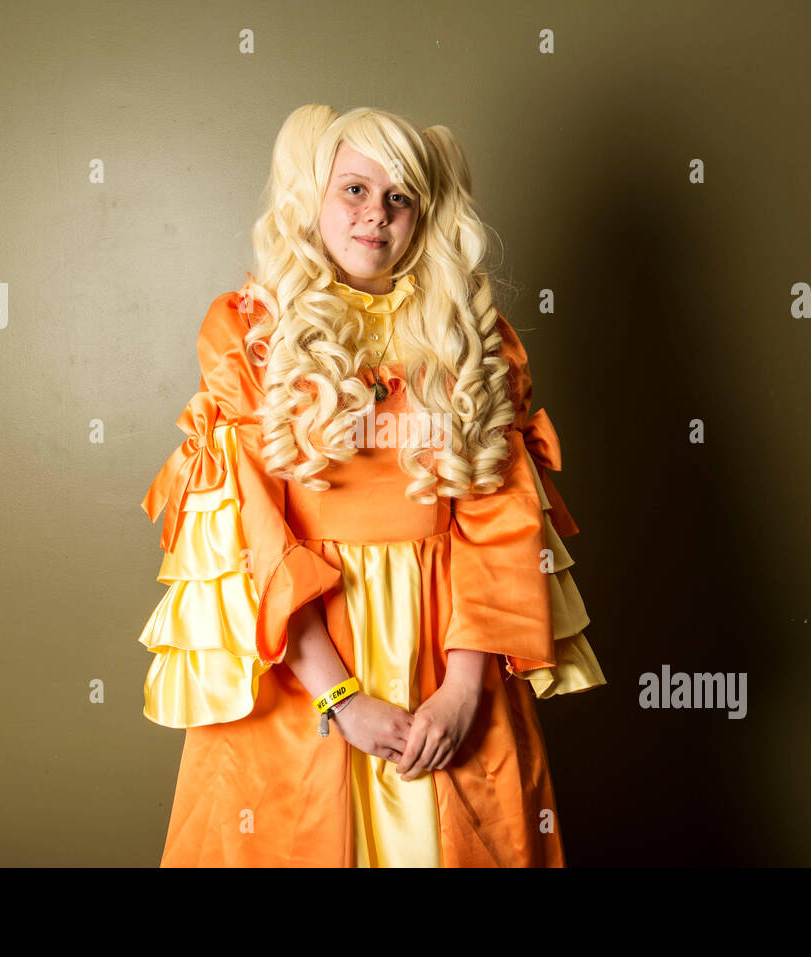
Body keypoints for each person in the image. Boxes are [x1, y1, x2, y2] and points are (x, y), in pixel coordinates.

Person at [136, 105, 606, 867]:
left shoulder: (468, 341)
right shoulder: (250, 336)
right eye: (353, 189)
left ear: (424, 215)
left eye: (399, 197)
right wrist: (339, 697)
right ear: (313, 198)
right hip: (301, 655)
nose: (375, 215)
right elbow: (254, 535)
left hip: (450, 654)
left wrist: (462, 691)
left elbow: (499, 518)